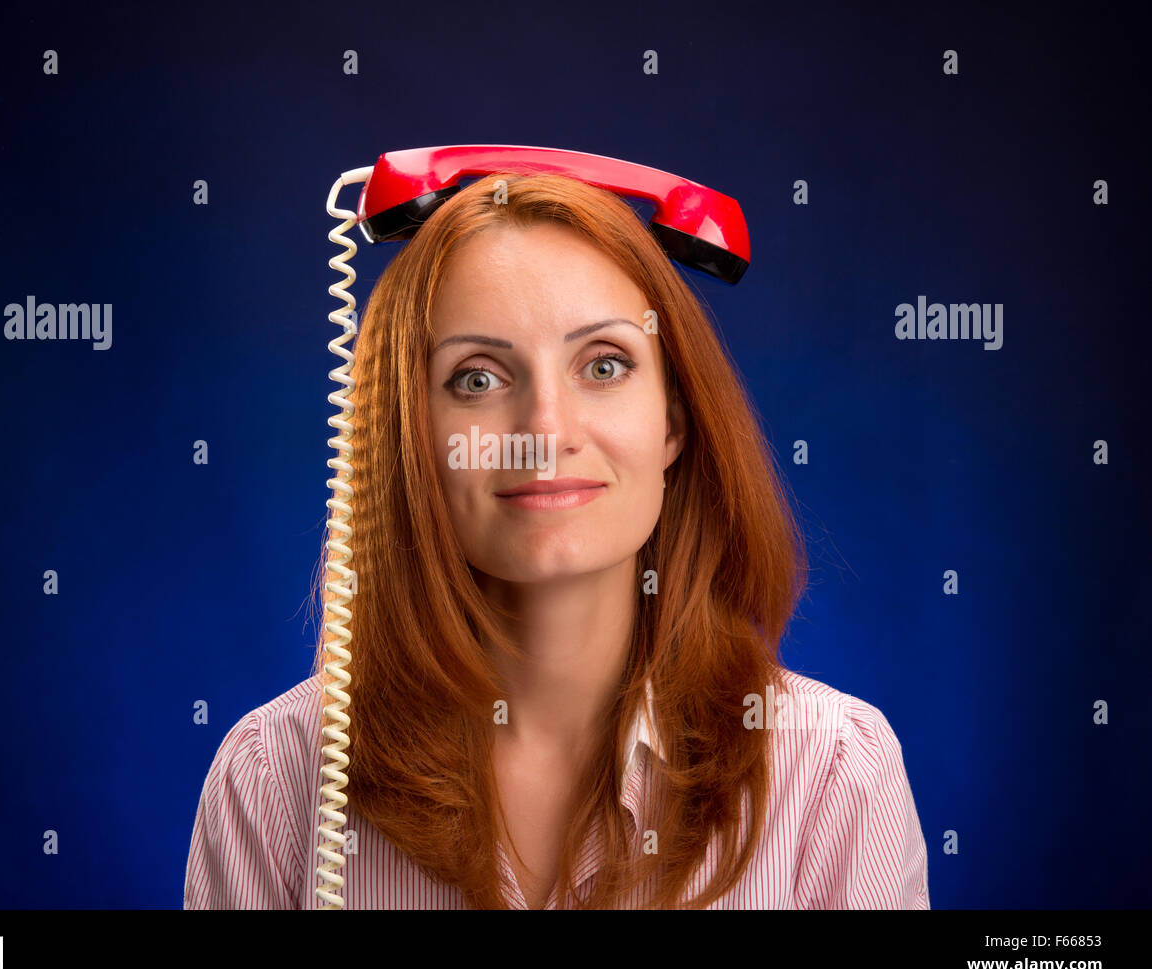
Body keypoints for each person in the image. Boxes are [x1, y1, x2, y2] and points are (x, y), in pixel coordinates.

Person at [184, 171, 930, 909]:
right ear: (410, 437)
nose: (545, 432)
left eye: (603, 365)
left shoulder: (833, 775)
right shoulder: (275, 783)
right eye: (477, 379)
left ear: (672, 422)